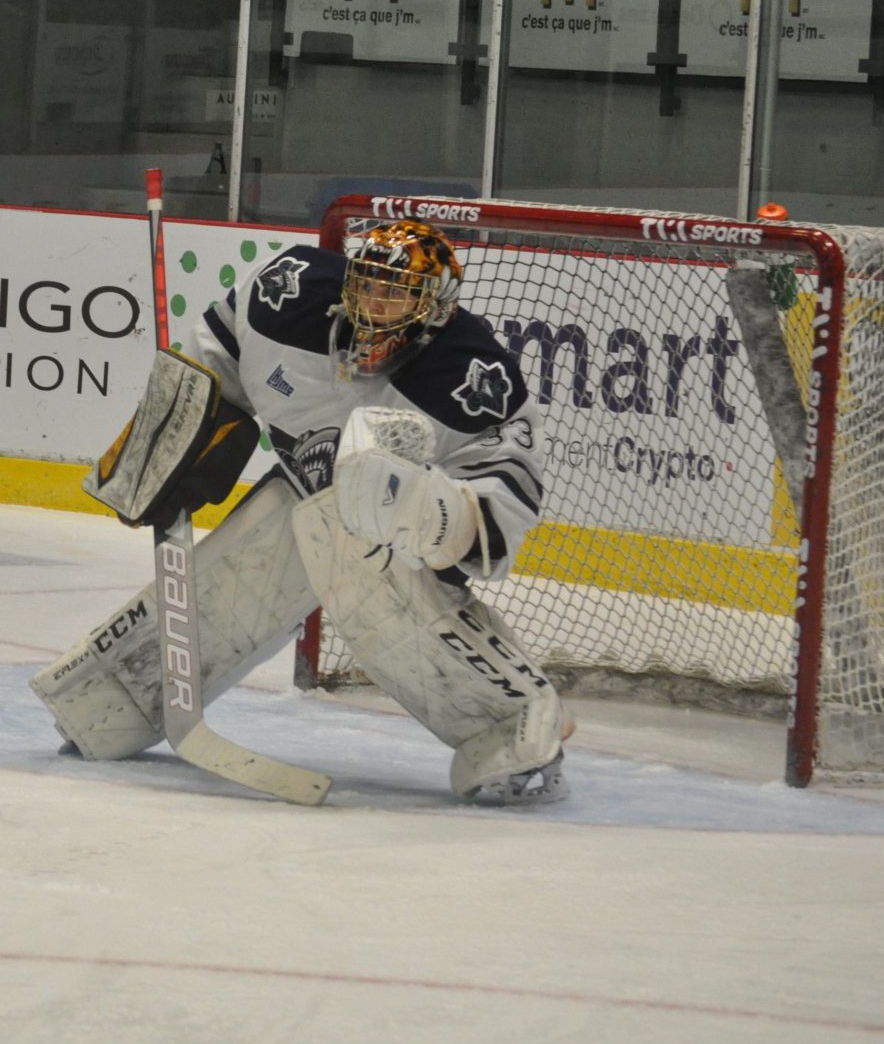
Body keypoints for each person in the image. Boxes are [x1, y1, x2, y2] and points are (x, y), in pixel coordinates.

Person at [31, 219, 570, 804]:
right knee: (234, 583)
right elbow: (217, 353)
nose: (374, 304)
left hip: (391, 539)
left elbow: (502, 509)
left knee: (375, 592)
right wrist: (173, 435)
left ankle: (511, 729)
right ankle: (111, 702)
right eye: (367, 285)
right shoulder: (286, 293)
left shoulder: (473, 377)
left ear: (436, 308)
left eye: (395, 294)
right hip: (301, 488)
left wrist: (423, 510)